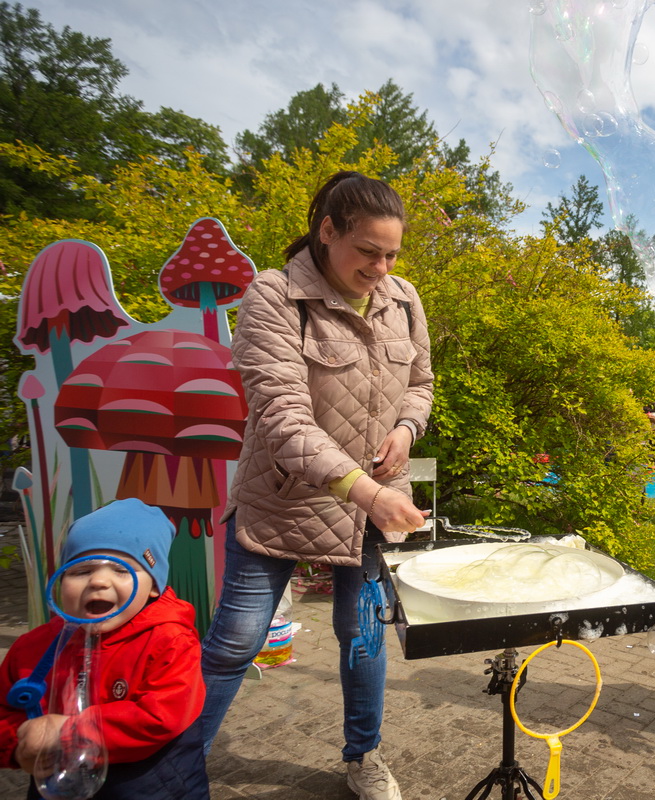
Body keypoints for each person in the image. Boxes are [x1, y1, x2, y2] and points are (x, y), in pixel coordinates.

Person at [199, 171, 432, 800]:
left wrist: (407, 431)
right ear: (327, 231)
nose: (381, 268)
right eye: (368, 252)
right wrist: (367, 490)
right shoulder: (272, 296)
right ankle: (174, 766)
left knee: (363, 639)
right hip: (283, 499)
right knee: (237, 641)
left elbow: (421, 386)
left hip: (370, 509)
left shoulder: (404, 299)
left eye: (391, 254)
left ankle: (364, 757)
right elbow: (282, 419)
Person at [0, 498, 208, 799]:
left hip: (154, 787)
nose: (98, 580)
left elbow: (161, 716)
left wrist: (66, 732)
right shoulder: (33, 648)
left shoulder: (170, 641)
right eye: (81, 570)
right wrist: (18, 746)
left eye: (120, 570)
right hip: (57, 784)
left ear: (153, 587)